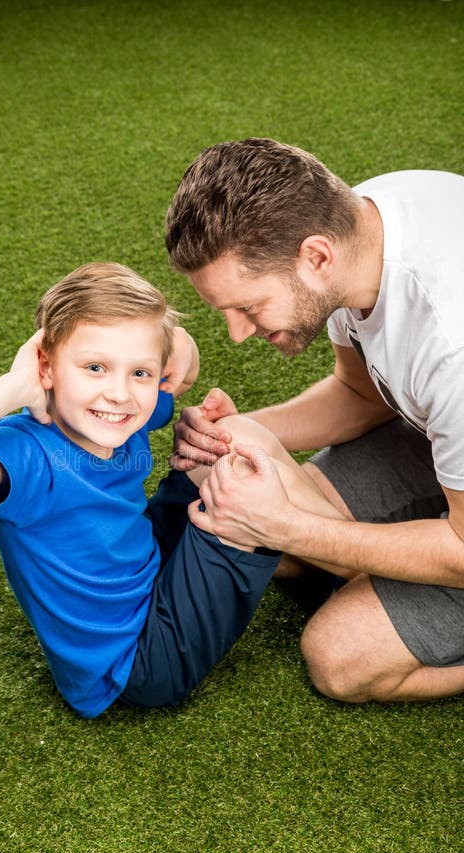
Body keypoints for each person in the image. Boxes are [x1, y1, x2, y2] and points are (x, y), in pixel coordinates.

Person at [0, 261, 348, 718]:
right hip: (137, 664)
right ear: (45, 366)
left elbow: (181, 368)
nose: (120, 394)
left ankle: (337, 560)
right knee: (245, 471)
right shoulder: (26, 454)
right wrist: (17, 385)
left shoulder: (126, 412)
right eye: (95, 367)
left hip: (149, 566)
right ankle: (355, 568)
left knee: (227, 441)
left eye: (139, 373)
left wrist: (172, 343)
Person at [165, 137, 464, 704]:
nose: (237, 332)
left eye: (248, 306)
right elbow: (360, 393)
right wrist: (237, 429)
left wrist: (288, 527)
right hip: (443, 442)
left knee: (341, 657)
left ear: (316, 257)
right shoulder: (361, 221)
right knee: (240, 473)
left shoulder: (452, 344)